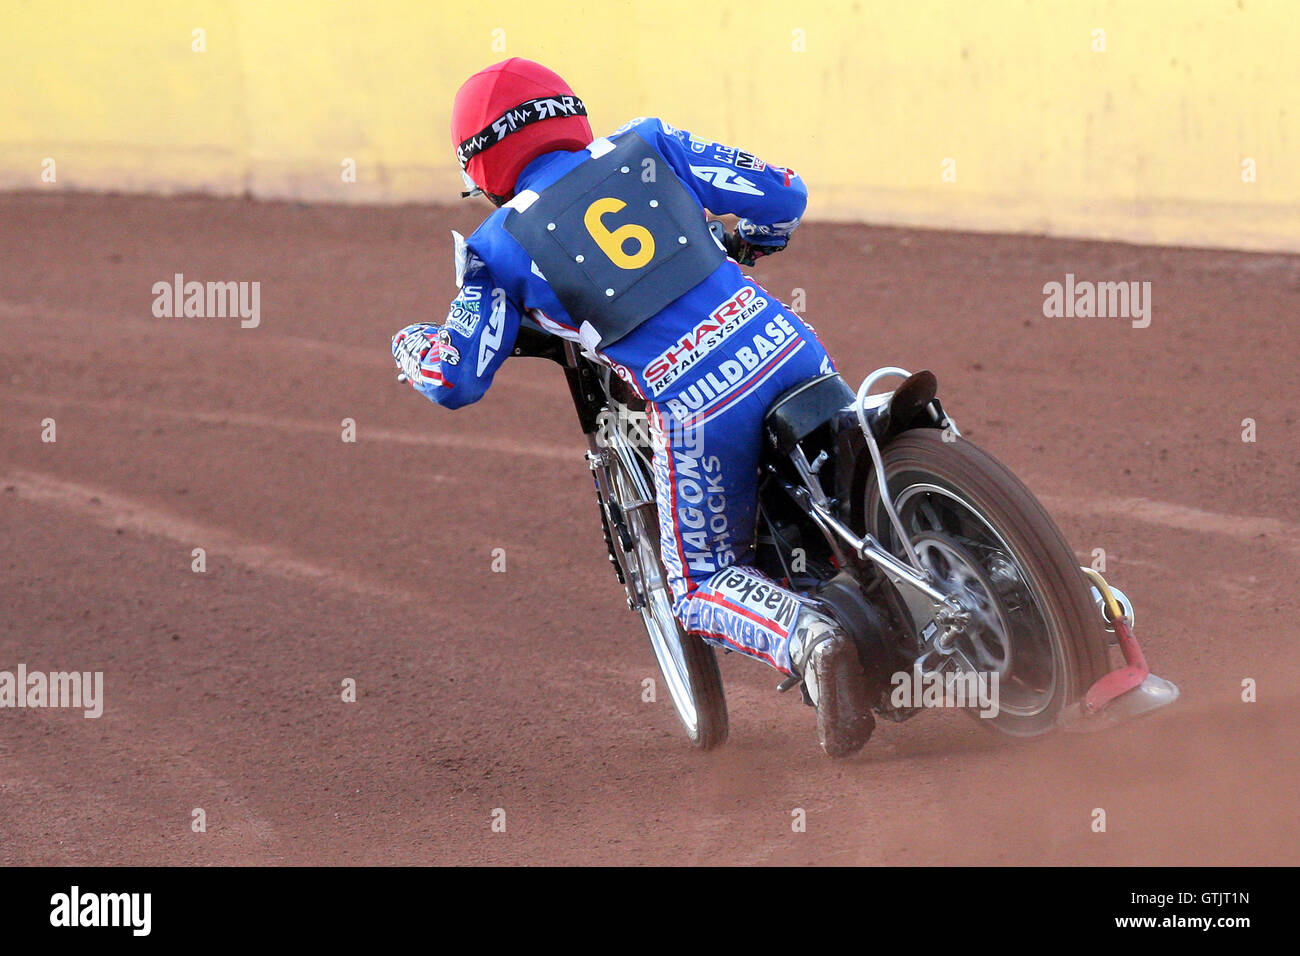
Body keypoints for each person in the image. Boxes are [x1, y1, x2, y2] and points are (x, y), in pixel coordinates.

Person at [392, 58, 874, 755]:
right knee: (863, 479)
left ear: (481, 163)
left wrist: (410, 345)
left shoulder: (496, 249)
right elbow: (781, 194)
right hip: (789, 346)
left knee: (699, 583)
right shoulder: (648, 143)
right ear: (568, 111)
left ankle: (811, 638)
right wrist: (758, 237)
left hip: (698, 405)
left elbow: (455, 378)